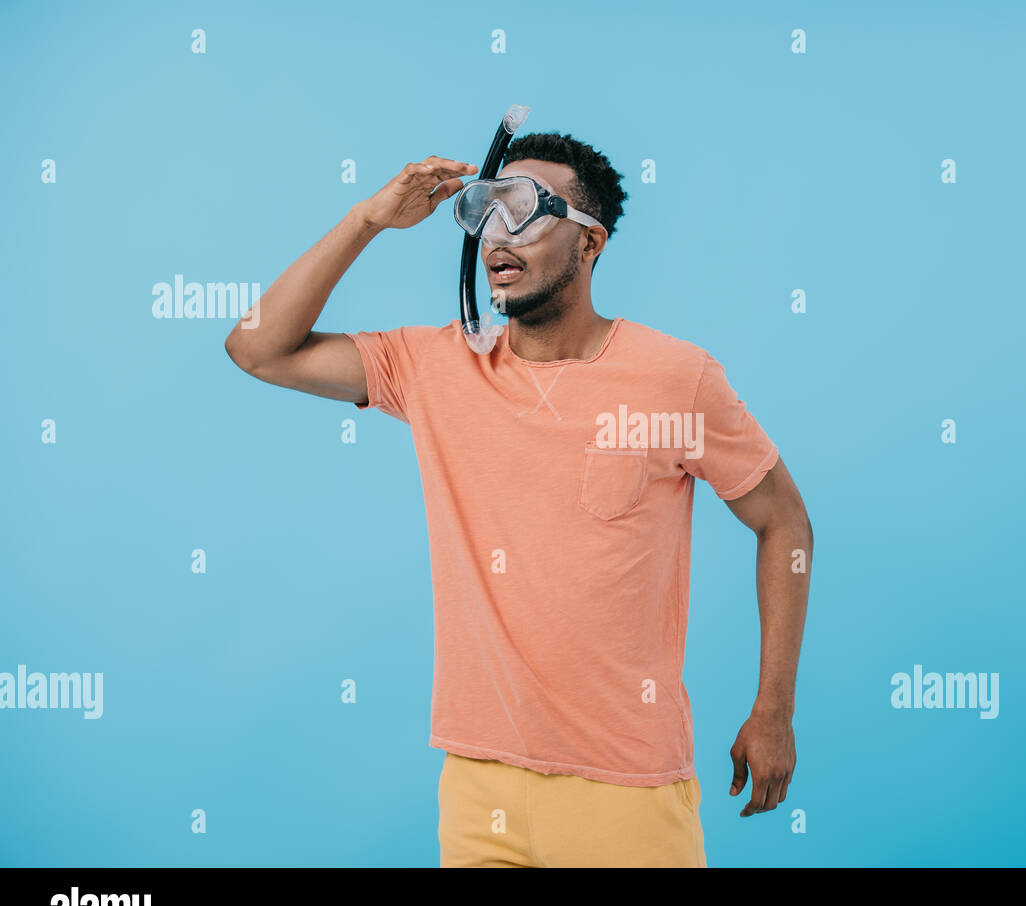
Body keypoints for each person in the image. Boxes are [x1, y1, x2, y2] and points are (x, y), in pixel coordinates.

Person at [223, 132, 813, 867]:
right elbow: (258, 348)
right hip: (479, 788)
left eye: (526, 212)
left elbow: (783, 520)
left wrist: (775, 709)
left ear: (589, 241)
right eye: (486, 213)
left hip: (625, 793)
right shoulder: (434, 368)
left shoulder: (675, 381)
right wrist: (368, 218)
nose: (499, 236)